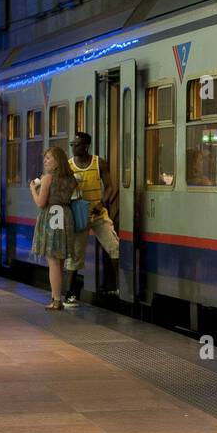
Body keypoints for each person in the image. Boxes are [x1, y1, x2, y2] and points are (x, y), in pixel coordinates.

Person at [64, 131, 121, 306]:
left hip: (98, 214)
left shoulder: (99, 163)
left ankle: (119, 287)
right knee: (76, 255)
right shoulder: (69, 166)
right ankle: (70, 294)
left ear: (86, 146)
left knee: (114, 247)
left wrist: (102, 203)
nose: (74, 147)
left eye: (77, 144)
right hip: (79, 215)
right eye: (73, 144)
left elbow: (111, 187)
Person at [30, 146, 76, 310]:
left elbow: (41, 203)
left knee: (53, 262)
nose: (45, 161)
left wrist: (33, 190)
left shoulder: (48, 179)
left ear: (57, 161)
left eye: (48, 158)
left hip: (51, 218)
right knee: (61, 261)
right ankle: (58, 297)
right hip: (65, 217)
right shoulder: (71, 179)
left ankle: (56, 300)